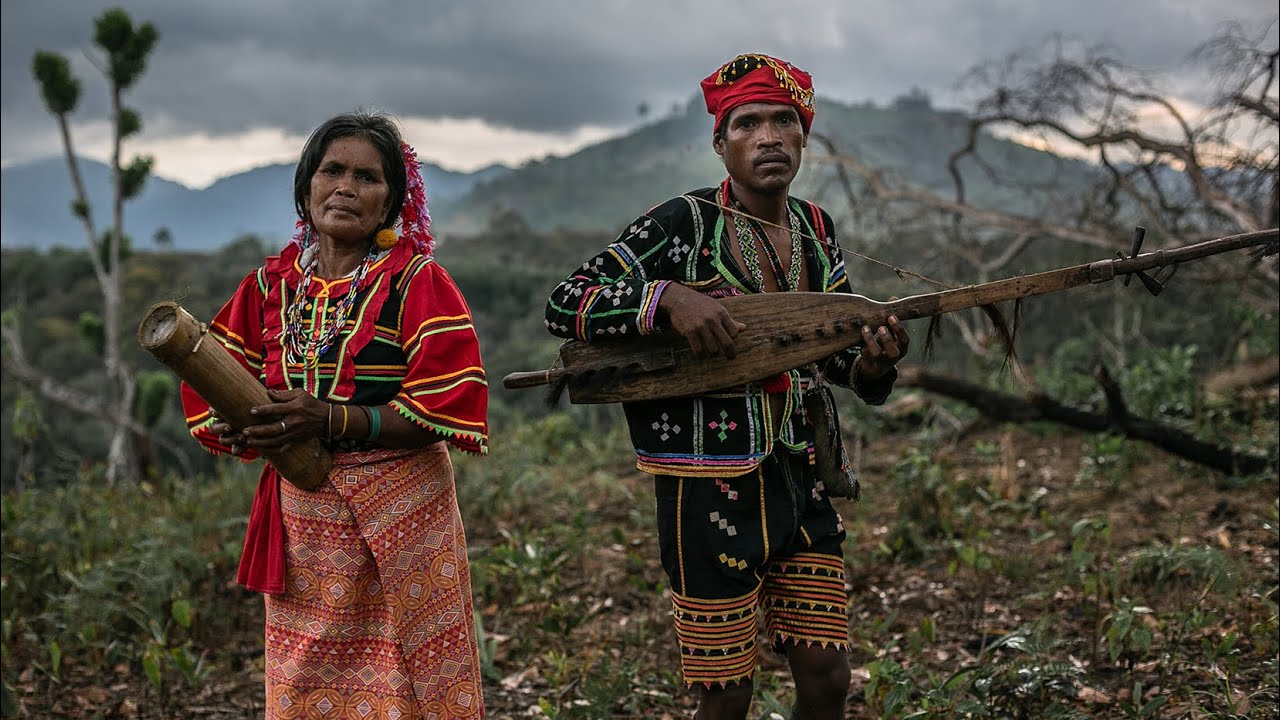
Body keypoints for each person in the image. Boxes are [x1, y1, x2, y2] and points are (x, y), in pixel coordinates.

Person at [544, 54, 909, 719]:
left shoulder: (817, 232)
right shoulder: (679, 226)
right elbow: (566, 301)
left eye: (783, 121)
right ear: (721, 143)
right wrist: (665, 298)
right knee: (726, 696)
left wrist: (874, 364)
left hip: (800, 475)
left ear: (803, 138)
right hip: (705, 488)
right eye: (748, 123)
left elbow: (832, 357)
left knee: (827, 681)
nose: (768, 137)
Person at [181, 112, 488, 719]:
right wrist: (249, 423)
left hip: (405, 517)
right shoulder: (268, 287)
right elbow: (219, 384)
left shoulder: (418, 282)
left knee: (406, 679)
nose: (347, 186)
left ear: (391, 202)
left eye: (368, 177)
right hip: (305, 517)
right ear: (307, 188)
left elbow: (445, 409)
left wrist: (330, 420)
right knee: (306, 679)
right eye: (333, 170)